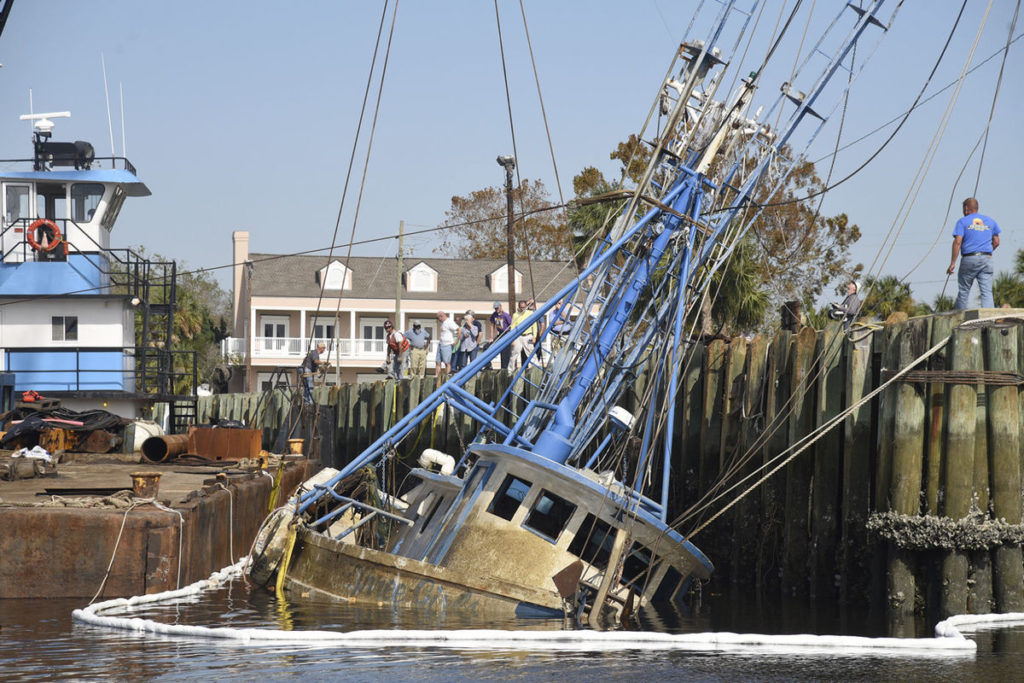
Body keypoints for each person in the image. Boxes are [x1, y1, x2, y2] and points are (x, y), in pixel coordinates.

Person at [947, 197, 1000, 310]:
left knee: (964, 290)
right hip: (986, 258)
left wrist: (952, 263)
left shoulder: (962, 221)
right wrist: (987, 252)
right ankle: (989, 318)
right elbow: (996, 242)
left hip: (969, 258)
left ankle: (959, 318)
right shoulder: (990, 221)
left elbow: (957, 242)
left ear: (966, 208)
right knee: (986, 291)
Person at [509, 299, 537, 371]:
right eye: (521, 307)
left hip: (528, 335)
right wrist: (512, 339)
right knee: (514, 353)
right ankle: (510, 370)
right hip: (518, 336)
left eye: (524, 307)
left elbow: (534, 325)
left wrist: (534, 336)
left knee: (531, 352)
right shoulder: (515, 315)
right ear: (518, 307)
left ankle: (536, 368)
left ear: (526, 306)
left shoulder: (530, 313)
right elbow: (512, 327)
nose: (523, 309)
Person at [435, 310, 459, 380]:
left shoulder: (449, 322)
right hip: (441, 343)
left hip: (447, 345)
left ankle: (447, 377)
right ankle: (436, 376)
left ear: (441, 316)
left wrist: (456, 341)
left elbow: (458, 330)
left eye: (438, 318)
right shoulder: (442, 323)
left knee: (447, 362)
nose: (438, 320)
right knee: (437, 361)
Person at [489, 301, 512, 370]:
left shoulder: (506, 315)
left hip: (507, 334)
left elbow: (511, 325)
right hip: (500, 334)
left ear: (500, 307)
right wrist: (491, 337)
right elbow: (492, 324)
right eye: (495, 308)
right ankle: (488, 365)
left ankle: (504, 368)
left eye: (497, 308)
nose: (496, 310)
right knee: (488, 347)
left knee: (505, 352)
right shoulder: (494, 315)